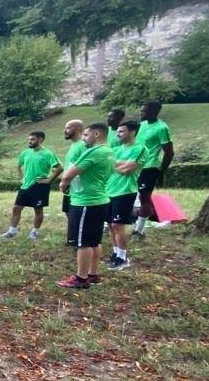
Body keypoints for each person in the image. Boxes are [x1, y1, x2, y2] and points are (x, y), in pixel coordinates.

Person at [57, 123, 115, 289]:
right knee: (94, 240)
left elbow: (68, 174)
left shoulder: (94, 152)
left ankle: (81, 278)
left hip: (85, 202)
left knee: (83, 243)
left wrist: (63, 184)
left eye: (86, 135)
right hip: (100, 200)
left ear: (96, 134)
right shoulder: (109, 152)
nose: (83, 139)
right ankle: (93, 274)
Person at [0, 132, 62, 240]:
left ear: (40, 139)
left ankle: (34, 232)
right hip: (25, 186)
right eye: (29, 139)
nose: (30, 141)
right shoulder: (25, 152)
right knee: (16, 208)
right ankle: (12, 231)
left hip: (39, 185)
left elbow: (60, 168)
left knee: (38, 210)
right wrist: (21, 178)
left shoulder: (47, 154)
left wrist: (49, 180)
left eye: (32, 139)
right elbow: (18, 165)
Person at [106, 120, 149, 271]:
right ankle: (115, 253)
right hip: (109, 190)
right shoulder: (116, 149)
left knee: (118, 224)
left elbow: (127, 170)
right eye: (117, 131)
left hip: (125, 191)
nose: (118, 134)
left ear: (132, 132)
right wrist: (120, 163)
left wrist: (115, 164)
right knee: (111, 225)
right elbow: (108, 165)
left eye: (121, 131)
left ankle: (123, 257)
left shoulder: (140, 149)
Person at [133, 101, 175, 238]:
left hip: (150, 167)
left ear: (155, 111)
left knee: (144, 197)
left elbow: (169, 152)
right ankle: (138, 221)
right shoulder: (141, 125)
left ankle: (139, 231)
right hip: (135, 166)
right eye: (141, 110)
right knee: (132, 195)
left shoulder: (162, 128)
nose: (141, 113)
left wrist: (162, 172)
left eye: (144, 111)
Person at [60, 119, 86, 218]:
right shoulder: (74, 144)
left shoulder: (83, 145)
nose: (64, 131)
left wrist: (65, 181)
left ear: (78, 128)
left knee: (75, 215)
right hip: (70, 186)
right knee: (68, 211)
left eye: (68, 128)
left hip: (79, 189)